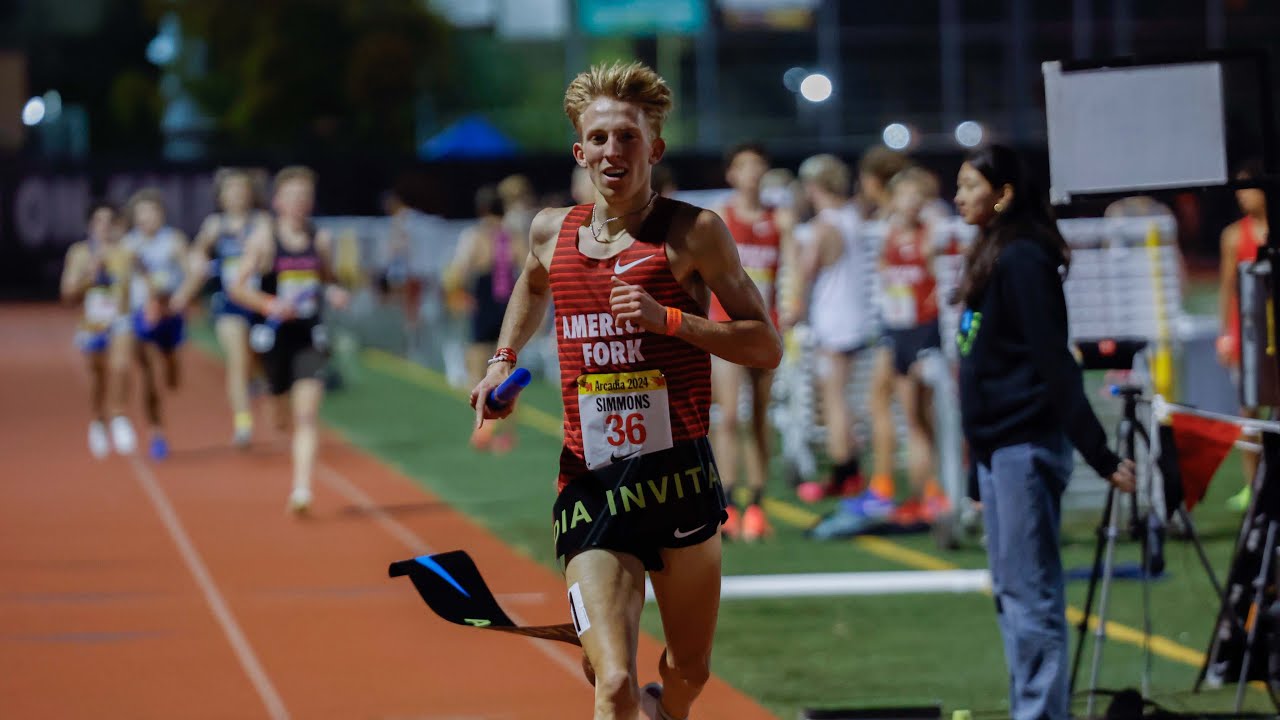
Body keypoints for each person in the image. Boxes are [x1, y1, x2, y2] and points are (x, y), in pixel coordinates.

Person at [469, 60, 781, 720]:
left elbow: (765, 344)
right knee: (612, 683)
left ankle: (669, 710)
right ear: (580, 152)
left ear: (654, 148)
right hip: (591, 485)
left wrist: (670, 320)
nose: (614, 150)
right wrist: (501, 361)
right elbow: (531, 285)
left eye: (628, 137)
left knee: (689, 668)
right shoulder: (551, 231)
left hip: (679, 482)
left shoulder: (693, 232)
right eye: (600, 138)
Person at [953, 144, 1136, 720]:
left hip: (1025, 447)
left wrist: (1100, 454)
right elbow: (982, 364)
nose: (958, 197)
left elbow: (1054, 362)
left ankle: (1040, 714)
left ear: (1003, 193)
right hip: (999, 449)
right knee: (1013, 596)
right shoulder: (994, 254)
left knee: (1031, 599)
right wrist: (976, 467)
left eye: (969, 185)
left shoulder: (1024, 258)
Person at [230, 166, 350, 514]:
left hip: (309, 334)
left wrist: (335, 291)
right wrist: (269, 304)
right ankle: (275, 407)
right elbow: (237, 287)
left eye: (305, 197)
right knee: (280, 417)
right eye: (292, 196)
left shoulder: (319, 239)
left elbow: (328, 278)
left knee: (307, 415)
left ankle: (301, 491)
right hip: (274, 338)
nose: (299, 202)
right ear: (278, 201)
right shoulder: (264, 239)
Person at [709, 142, 789, 541]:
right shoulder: (720, 217)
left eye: (758, 165)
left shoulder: (780, 220)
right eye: (744, 166)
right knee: (727, 417)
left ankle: (756, 502)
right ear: (732, 174)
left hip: (763, 326)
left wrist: (791, 311)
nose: (752, 173)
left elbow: (791, 271)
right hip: (725, 327)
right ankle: (725, 502)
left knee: (759, 415)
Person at [784, 154, 874, 503]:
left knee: (833, 400)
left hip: (833, 323)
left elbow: (805, 273)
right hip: (853, 319)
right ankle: (850, 469)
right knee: (841, 398)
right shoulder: (851, 216)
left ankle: (842, 472)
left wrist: (793, 311)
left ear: (813, 186)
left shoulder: (824, 226)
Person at [865, 167, 948, 524]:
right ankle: (919, 492)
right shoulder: (888, 234)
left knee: (920, 416)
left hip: (924, 333)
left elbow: (943, 282)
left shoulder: (932, 236)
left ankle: (930, 492)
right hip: (897, 331)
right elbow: (884, 277)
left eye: (918, 196)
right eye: (905, 195)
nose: (911, 202)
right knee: (907, 413)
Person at [172, 168, 271, 447]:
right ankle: (243, 422)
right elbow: (197, 254)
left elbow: (268, 258)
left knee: (257, 359)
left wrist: (256, 250)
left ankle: (259, 379)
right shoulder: (215, 224)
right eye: (231, 190)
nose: (237, 195)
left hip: (260, 301)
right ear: (221, 196)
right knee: (237, 360)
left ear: (250, 194)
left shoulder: (261, 222)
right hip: (230, 303)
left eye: (242, 189)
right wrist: (196, 269)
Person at [445, 184, 527, 452]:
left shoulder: (475, 236)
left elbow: (459, 269)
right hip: (508, 307)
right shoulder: (512, 237)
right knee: (508, 373)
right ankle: (507, 434)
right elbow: (526, 268)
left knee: (478, 369)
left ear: (481, 209)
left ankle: (482, 426)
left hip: (483, 306)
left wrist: (458, 296)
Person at [61, 202, 138, 457]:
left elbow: (142, 281)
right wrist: (88, 276)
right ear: (90, 225)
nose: (104, 227)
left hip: (120, 320)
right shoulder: (79, 253)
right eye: (99, 221)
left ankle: (118, 415)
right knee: (97, 378)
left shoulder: (126, 252)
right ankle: (98, 420)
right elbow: (67, 292)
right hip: (92, 323)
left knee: (121, 366)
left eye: (109, 222)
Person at [1217, 158, 1268, 510]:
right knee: (1247, 416)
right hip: (1246, 337)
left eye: (1247, 188)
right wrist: (1225, 334)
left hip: (1273, 337)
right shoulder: (1234, 236)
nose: (1241, 195)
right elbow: (1226, 287)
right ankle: (1254, 489)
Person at [124, 188, 190, 460]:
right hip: (141, 315)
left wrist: (181, 295)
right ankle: (156, 432)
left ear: (161, 215)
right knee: (149, 375)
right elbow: (120, 282)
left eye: (152, 212)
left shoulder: (173, 240)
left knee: (171, 373)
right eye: (142, 213)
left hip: (170, 313)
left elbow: (191, 272)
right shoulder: (128, 245)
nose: (147, 218)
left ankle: (172, 363)